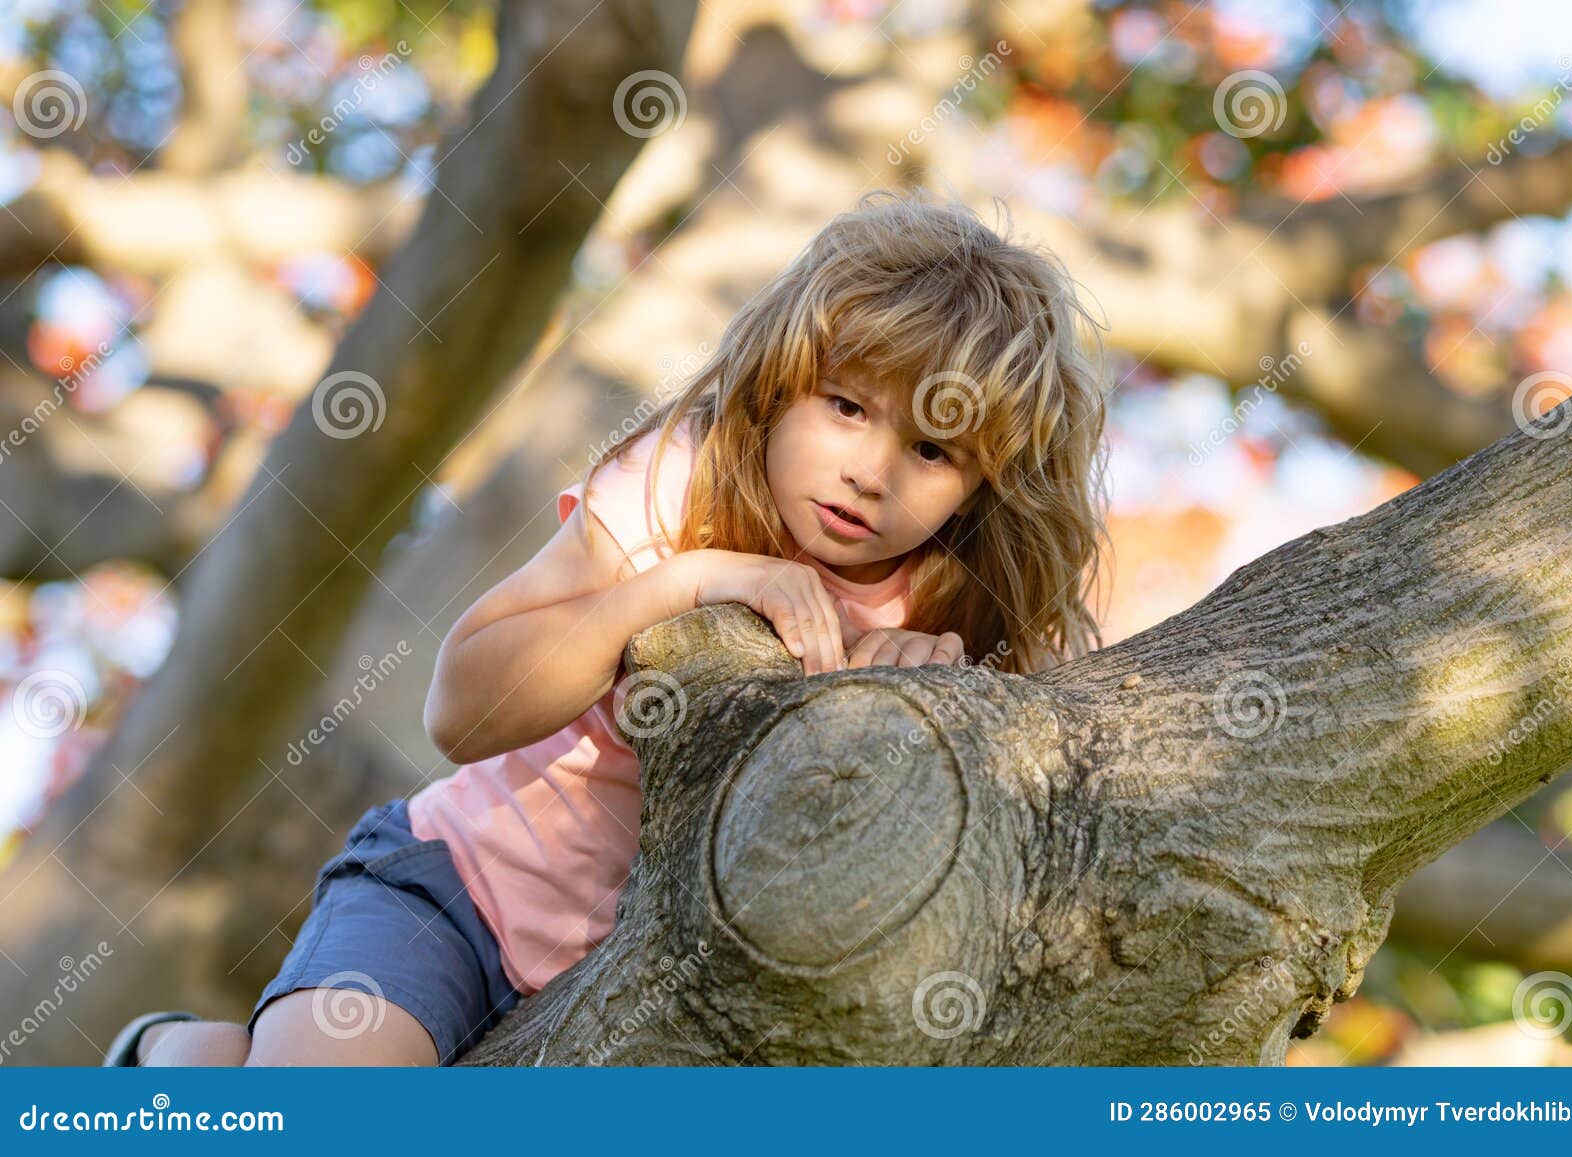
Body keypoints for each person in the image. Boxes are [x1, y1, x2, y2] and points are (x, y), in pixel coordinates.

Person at [109, 187, 1111, 1067]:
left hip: (654, 990)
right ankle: (175, 1054)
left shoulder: (954, 602)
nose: (871, 469)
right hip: (457, 897)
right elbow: (461, 709)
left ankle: (216, 1062)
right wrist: (676, 584)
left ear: (985, 483)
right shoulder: (685, 485)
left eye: (932, 447)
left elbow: (1055, 797)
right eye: (846, 404)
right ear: (781, 382)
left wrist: (938, 696)